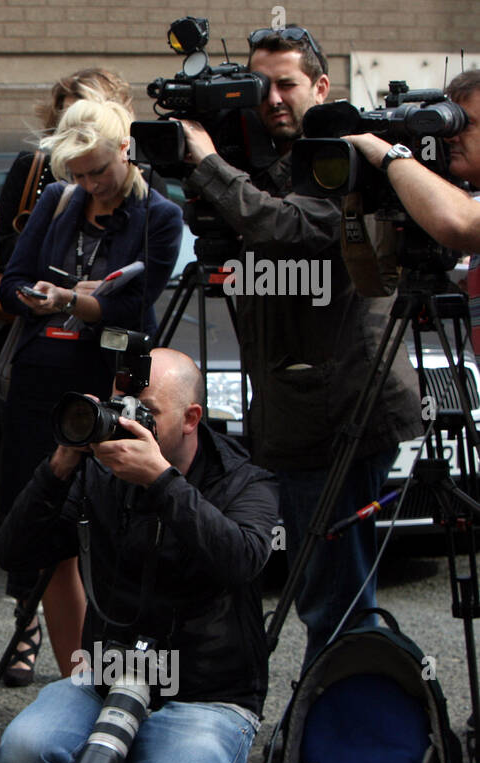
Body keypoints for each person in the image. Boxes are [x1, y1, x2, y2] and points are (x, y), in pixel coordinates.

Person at [178, 25, 421, 668]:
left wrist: (206, 162)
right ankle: (341, 732)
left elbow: (288, 229)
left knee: (333, 595)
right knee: (332, 589)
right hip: (293, 406)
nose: (274, 99)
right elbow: (231, 228)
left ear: (321, 85)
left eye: (287, 84)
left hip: (343, 409)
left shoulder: (343, 156)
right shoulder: (263, 160)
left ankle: (338, 744)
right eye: (261, 87)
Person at [0, 348, 278, 763]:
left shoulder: (244, 481)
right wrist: (63, 461)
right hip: (110, 675)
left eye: (146, 412)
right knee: (24, 751)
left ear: (191, 419)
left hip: (205, 694)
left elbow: (242, 560)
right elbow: (15, 553)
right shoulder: (100, 473)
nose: (129, 423)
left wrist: (162, 482)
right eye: (120, 405)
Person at [0, 98, 182, 685]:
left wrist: (74, 299)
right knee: (51, 540)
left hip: (109, 382)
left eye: (98, 171)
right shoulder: (57, 200)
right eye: (76, 174)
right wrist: (40, 296)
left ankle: (124, 678)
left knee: (112, 536)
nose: (89, 185)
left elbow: (132, 304)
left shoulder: (161, 217)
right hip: (38, 384)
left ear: (126, 150)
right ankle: (76, 682)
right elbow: (16, 275)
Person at [345, 70, 480, 351]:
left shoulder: (465, 212)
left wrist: (389, 157)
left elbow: (461, 224)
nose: (450, 137)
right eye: (447, 124)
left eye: (465, 124)